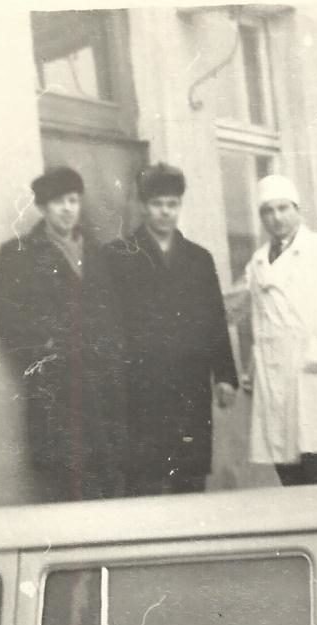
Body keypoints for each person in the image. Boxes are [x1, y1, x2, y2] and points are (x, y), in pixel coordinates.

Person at [103, 163, 237, 496]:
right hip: (140, 386)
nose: (165, 212)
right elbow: (107, 323)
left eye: (172, 204)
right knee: (144, 479)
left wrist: (225, 375)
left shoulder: (199, 259)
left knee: (189, 477)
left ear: (180, 206)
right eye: (157, 204)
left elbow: (214, 320)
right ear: (143, 206)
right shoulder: (117, 256)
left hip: (190, 386)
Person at [228, 174, 317, 486]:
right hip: (274, 374)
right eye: (268, 211)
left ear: (297, 209)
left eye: (283, 208)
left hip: (311, 368)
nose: (276, 218)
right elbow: (237, 307)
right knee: (287, 468)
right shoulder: (258, 261)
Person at [0, 166, 121, 501]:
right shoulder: (18, 254)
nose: (67, 209)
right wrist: (44, 348)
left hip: (100, 386)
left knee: (103, 478)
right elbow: (6, 318)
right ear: (42, 207)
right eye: (58, 201)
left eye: (73, 200)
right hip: (54, 386)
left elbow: (114, 315)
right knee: (62, 480)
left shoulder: (98, 254)